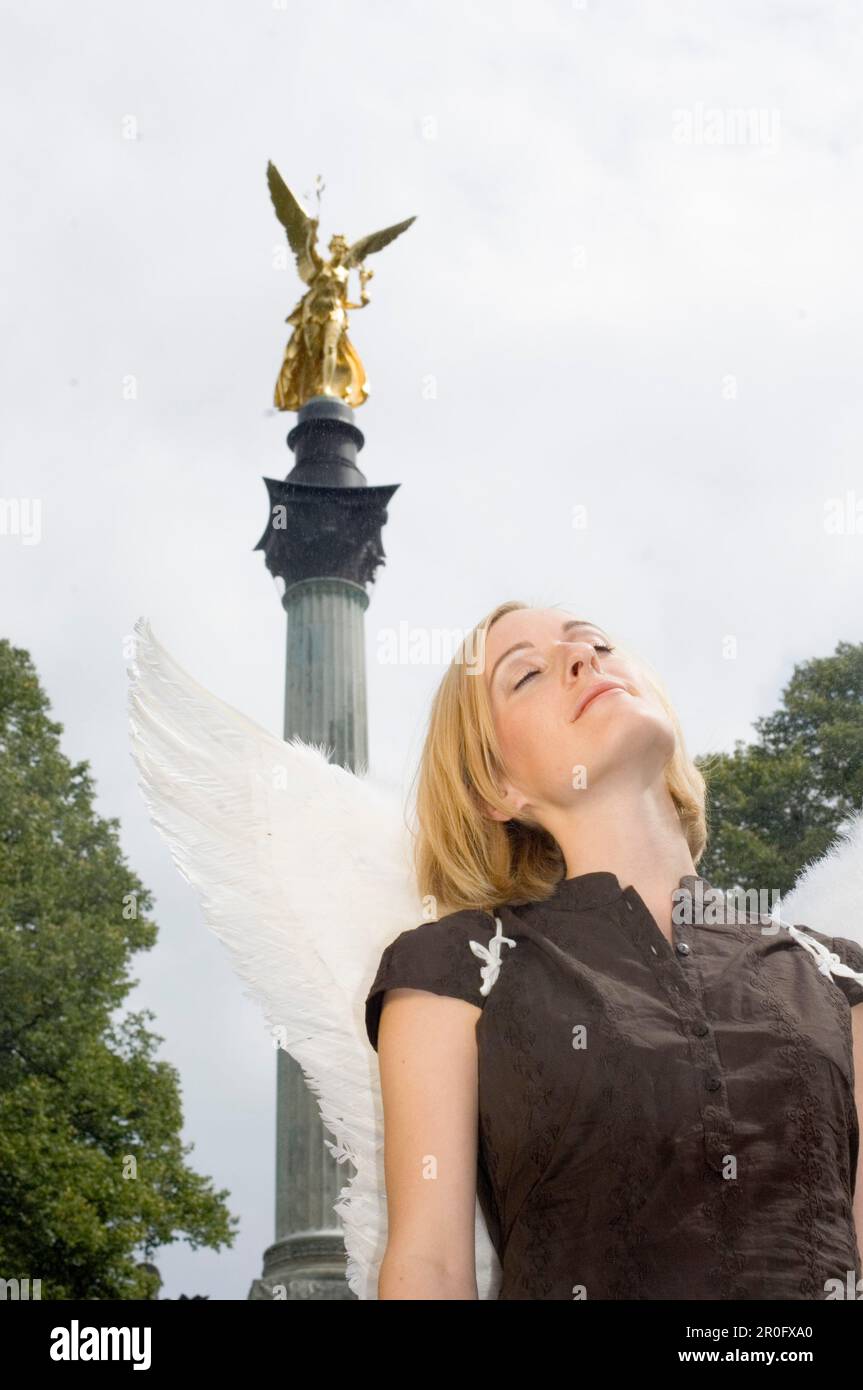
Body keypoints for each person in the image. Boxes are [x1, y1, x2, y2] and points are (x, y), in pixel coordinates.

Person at [364, 600, 863, 1300]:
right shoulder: (454, 968)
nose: (581, 659)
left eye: (594, 642)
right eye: (526, 674)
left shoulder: (838, 976)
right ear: (493, 788)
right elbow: (431, 1269)